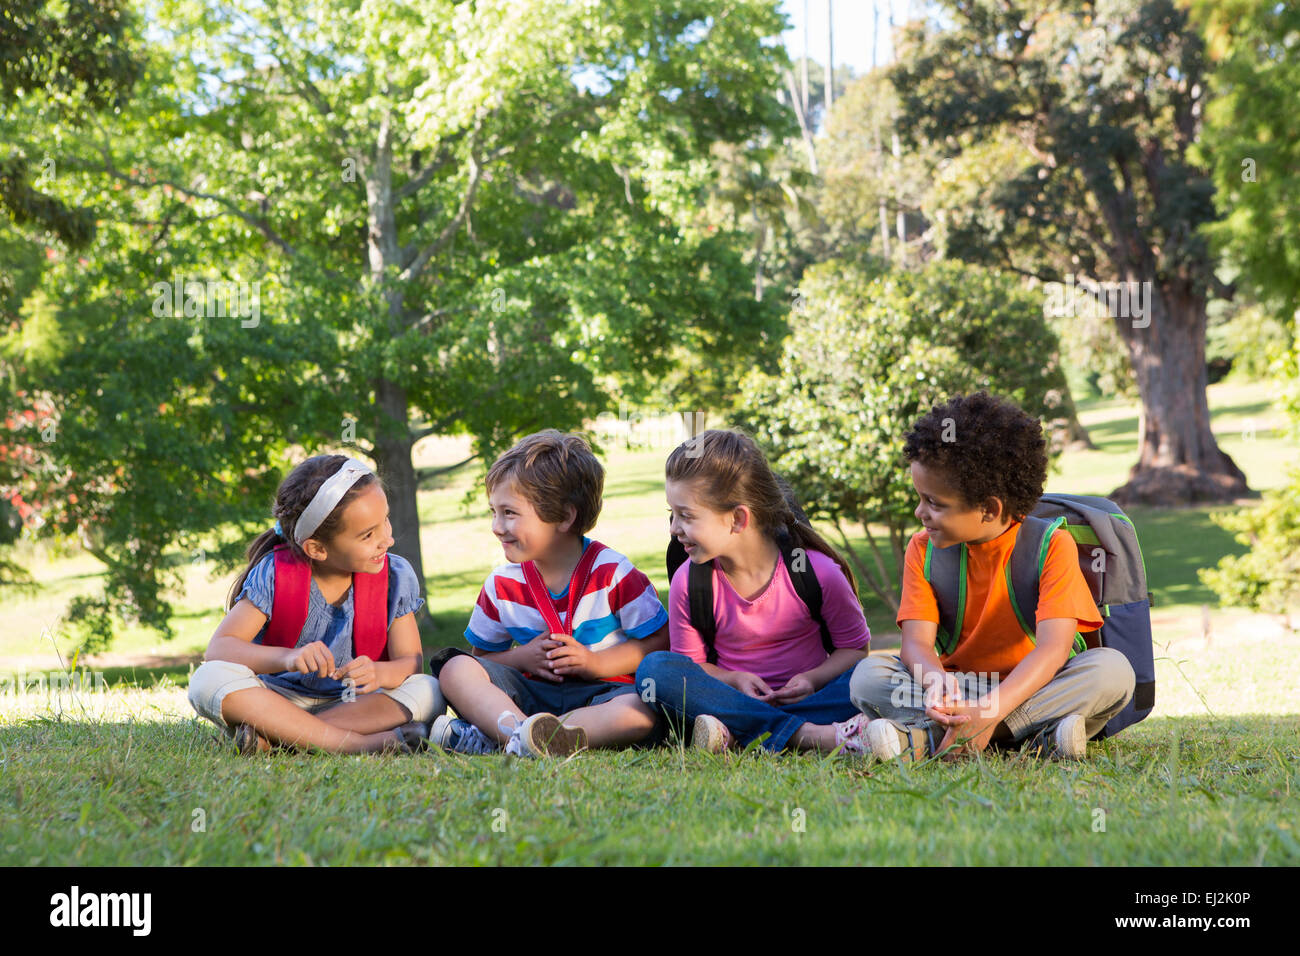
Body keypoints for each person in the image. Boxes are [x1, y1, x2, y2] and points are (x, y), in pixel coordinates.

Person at [848, 391, 1135, 761]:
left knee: (1112, 671)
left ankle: (927, 740)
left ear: (989, 509)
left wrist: (990, 711)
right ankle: (1036, 738)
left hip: (1038, 686)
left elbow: (1052, 650)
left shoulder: (1052, 546)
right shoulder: (923, 549)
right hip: (962, 689)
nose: (920, 512)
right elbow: (916, 644)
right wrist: (935, 686)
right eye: (920, 498)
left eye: (934, 503)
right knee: (869, 676)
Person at [431, 430, 670, 757]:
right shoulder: (501, 585)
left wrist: (594, 663)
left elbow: (659, 644)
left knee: (638, 712)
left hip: (603, 695)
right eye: (494, 512)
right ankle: (519, 733)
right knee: (454, 669)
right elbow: (483, 660)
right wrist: (522, 657)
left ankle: (531, 737)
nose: (496, 527)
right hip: (530, 695)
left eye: (510, 513)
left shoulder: (614, 573)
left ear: (565, 516)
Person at [635, 429, 872, 755]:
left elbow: (856, 651)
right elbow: (691, 667)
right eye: (671, 514)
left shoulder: (816, 572)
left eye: (686, 516)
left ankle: (739, 732)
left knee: (874, 675)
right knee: (655, 670)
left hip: (813, 698)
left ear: (737, 518)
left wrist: (813, 680)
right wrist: (732, 680)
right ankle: (809, 736)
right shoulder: (689, 581)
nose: (674, 529)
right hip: (730, 699)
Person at [188, 455, 443, 754]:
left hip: (356, 704)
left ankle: (282, 738)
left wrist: (378, 673)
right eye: (368, 535)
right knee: (207, 679)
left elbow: (410, 663)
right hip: (278, 698)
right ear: (317, 548)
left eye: (385, 520)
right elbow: (220, 649)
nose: (386, 539)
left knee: (431, 688)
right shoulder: (275, 575)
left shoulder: (396, 576)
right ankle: (358, 744)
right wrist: (288, 658)